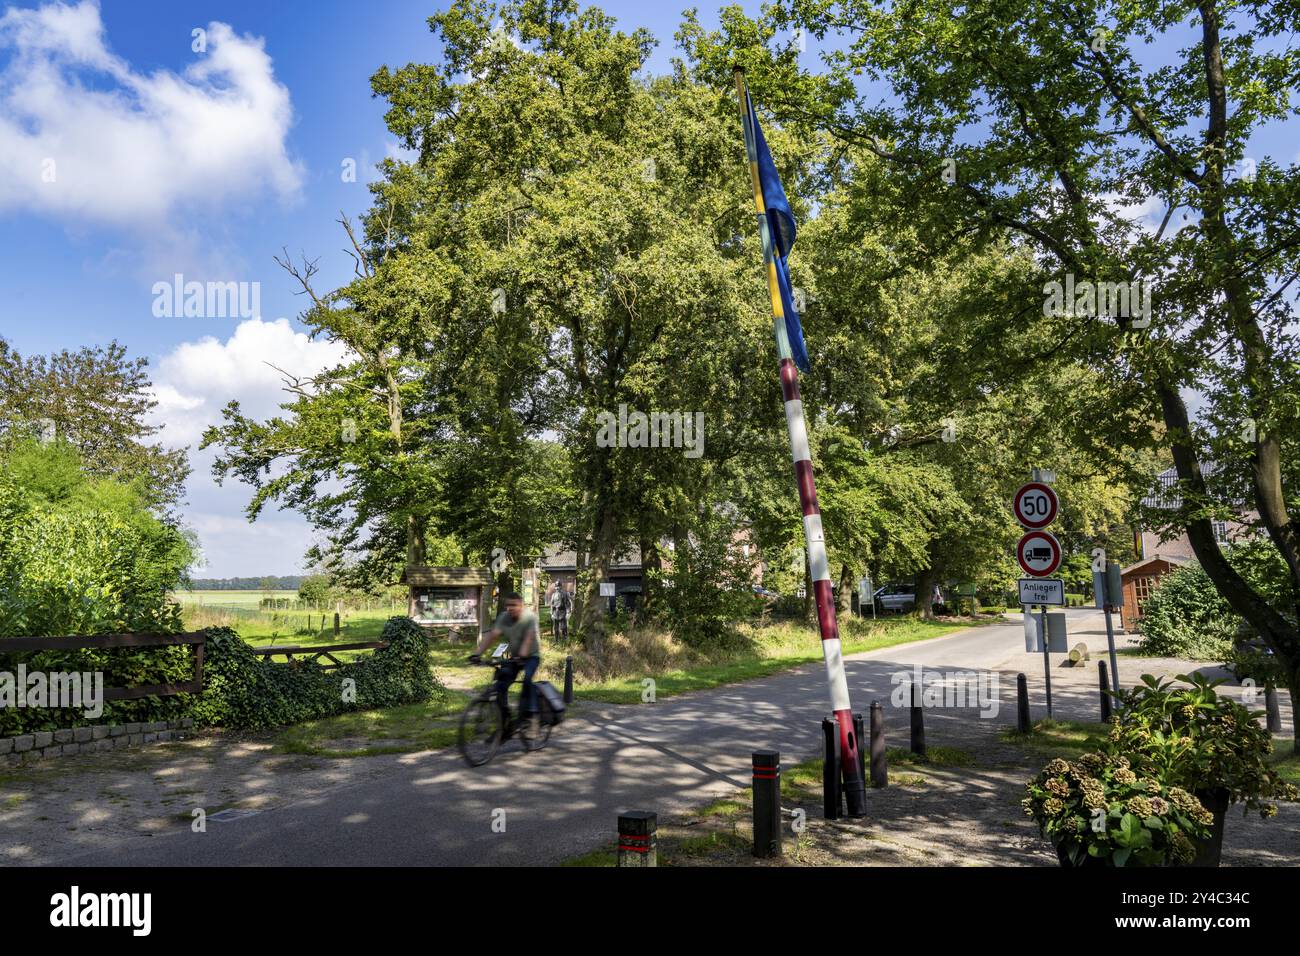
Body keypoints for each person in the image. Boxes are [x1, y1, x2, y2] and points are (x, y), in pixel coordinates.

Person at [469, 592, 541, 733]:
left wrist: (522, 655)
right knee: (501, 684)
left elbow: (529, 638)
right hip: (514, 658)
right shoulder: (504, 617)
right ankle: (504, 724)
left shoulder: (530, 617)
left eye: (513, 605)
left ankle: (531, 715)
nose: (510, 608)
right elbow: (492, 636)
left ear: (521, 605)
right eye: (508, 605)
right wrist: (477, 654)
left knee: (527, 680)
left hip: (531, 656)